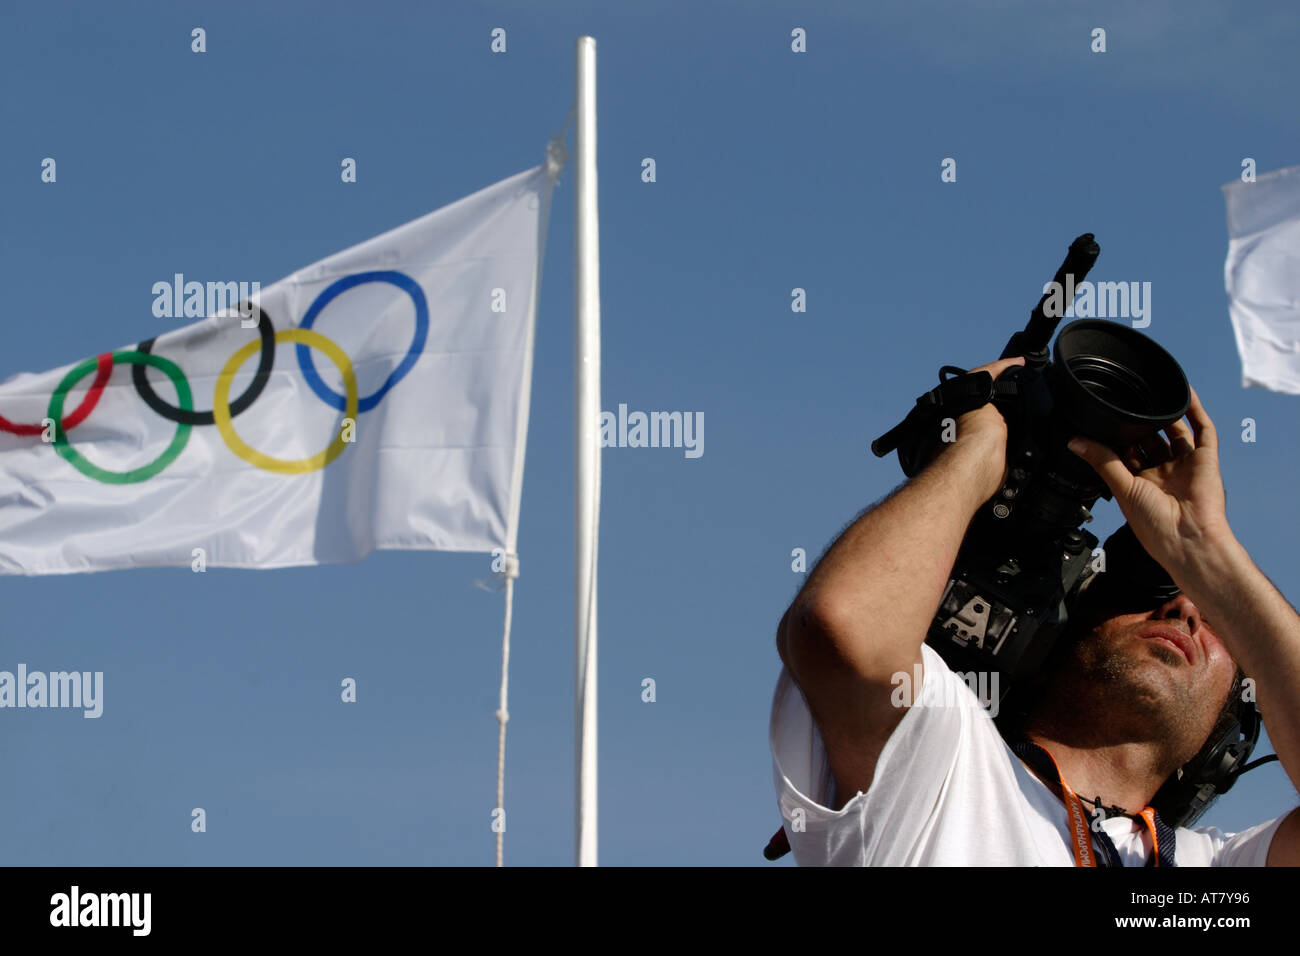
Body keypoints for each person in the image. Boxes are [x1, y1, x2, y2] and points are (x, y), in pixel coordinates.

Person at [769, 355, 1300, 865]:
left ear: (1224, 743)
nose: (1184, 608)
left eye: (1217, 621)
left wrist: (1205, 549)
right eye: (1146, 601)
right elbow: (842, 624)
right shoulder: (944, 762)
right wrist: (976, 452)